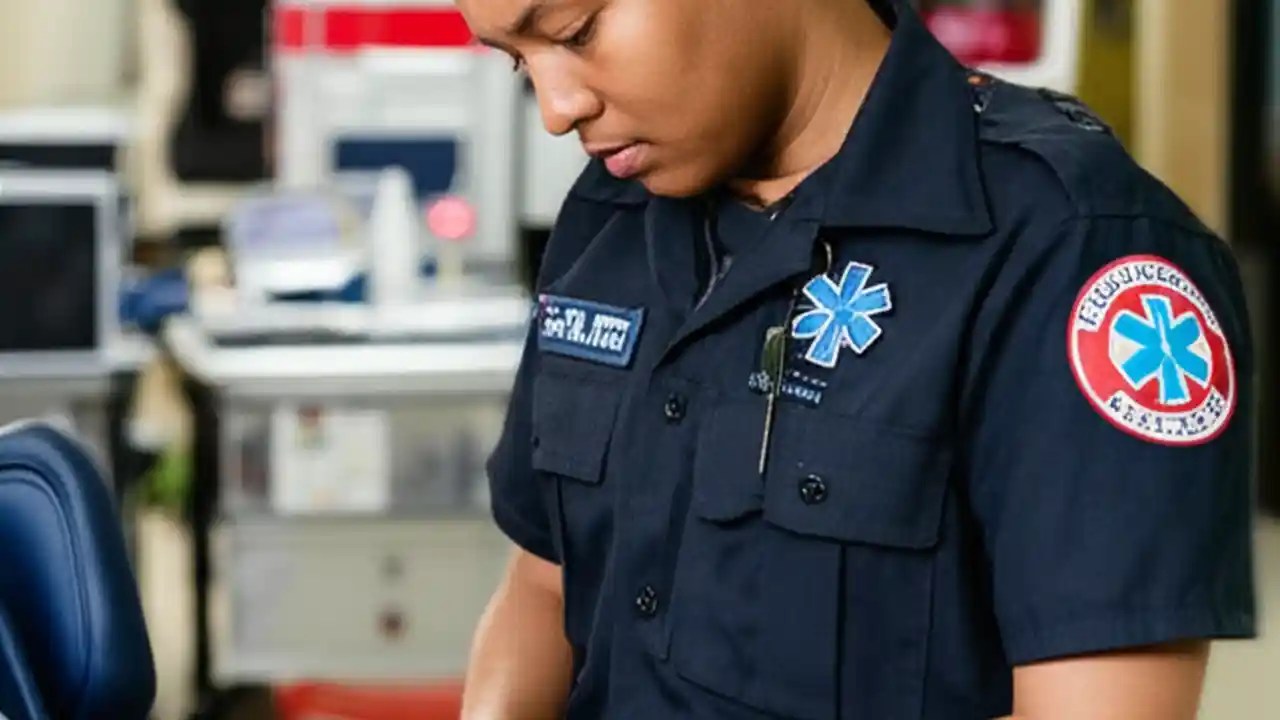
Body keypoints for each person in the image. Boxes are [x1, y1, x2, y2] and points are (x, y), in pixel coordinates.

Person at [456, 0, 1257, 718]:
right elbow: (545, 584)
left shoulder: (1070, 248)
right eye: (521, 62)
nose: (558, 110)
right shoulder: (609, 217)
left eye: (575, 32)